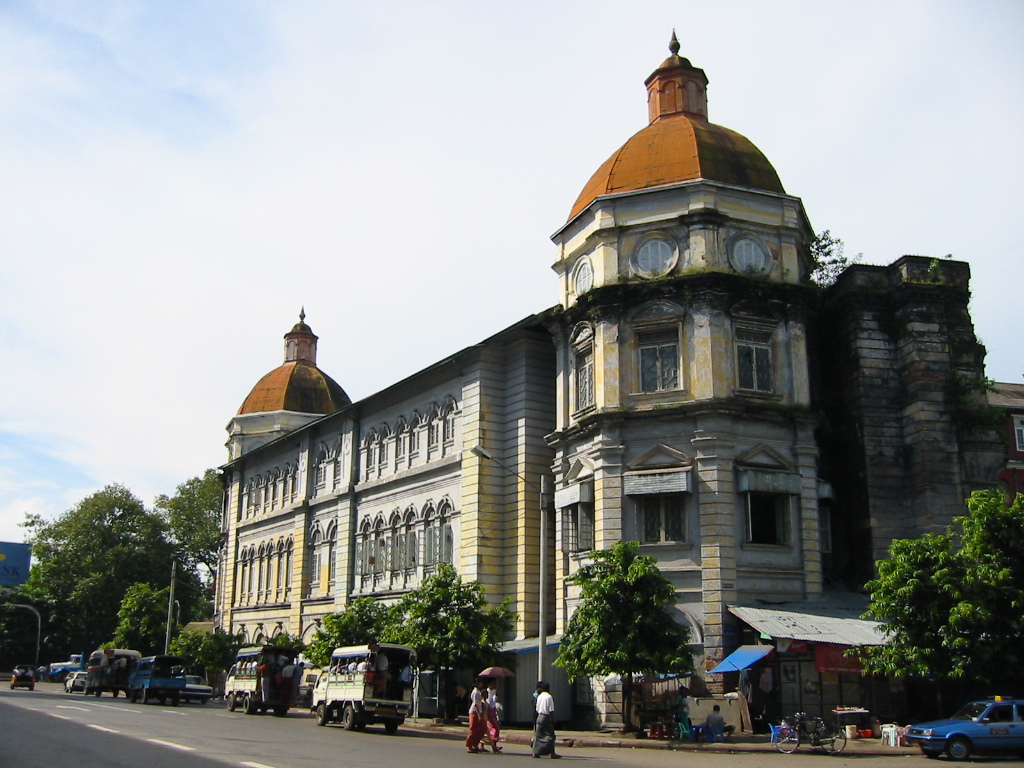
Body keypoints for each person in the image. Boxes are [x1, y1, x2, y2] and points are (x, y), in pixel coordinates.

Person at [532, 681, 560, 758]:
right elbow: (551, 710)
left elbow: (537, 709)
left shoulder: (539, 696)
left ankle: (535, 752)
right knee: (551, 735)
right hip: (545, 717)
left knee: (538, 735)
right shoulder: (549, 697)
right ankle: (552, 753)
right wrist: (553, 719)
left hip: (539, 717)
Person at [465, 677, 488, 753]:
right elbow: (475, 704)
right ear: (478, 683)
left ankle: (475, 744)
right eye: (481, 683)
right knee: (474, 730)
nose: (482, 684)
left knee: (483, 728)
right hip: (475, 712)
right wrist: (478, 715)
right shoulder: (475, 692)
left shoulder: (478, 692)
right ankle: (469, 745)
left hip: (479, 712)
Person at [481, 682, 502, 753]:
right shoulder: (487, 693)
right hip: (488, 713)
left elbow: (493, 702)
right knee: (490, 728)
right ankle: (492, 745)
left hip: (492, 711)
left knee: (492, 729)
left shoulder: (494, 691)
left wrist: (496, 695)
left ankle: (494, 745)